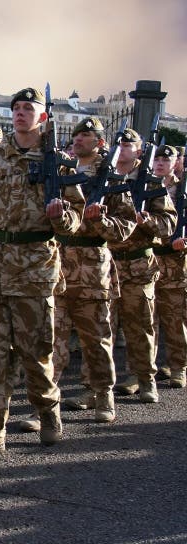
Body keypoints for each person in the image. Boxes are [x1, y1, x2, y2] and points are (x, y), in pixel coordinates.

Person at [0, 87, 85, 457]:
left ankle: (48, 410)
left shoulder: (59, 162)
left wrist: (60, 217)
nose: (20, 112)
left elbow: (76, 220)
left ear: (43, 117)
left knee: (36, 353)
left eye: (28, 108)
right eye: (16, 107)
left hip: (35, 267)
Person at [42, 117, 136, 425]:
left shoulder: (111, 177)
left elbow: (125, 228)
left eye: (86, 135)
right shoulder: (62, 172)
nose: (79, 139)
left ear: (100, 142)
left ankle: (102, 394)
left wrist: (100, 221)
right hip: (58, 266)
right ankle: (46, 404)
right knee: (51, 340)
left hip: (92, 269)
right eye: (77, 135)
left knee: (96, 340)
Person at [110, 129, 176, 402]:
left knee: (140, 327)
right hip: (106, 265)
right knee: (101, 330)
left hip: (138, 264)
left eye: (128, 144)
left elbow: (169, 223)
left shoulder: (150, 183)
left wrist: (147, 221)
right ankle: (95, 386)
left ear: (139, 150)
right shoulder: (106, 176)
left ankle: (144, 379)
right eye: (119, 144)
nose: (122, 148)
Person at [151, 145, 186, 388]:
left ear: (176, 162)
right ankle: (143, 371)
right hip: (148, 262)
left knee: (175, 321)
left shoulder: (182, 189)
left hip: (175, 262)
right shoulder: (145, 187)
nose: (161, 162)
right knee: (146, 322)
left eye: (166, 159)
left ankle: (178, 367)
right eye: (157, 159)